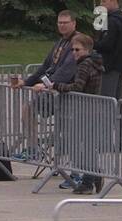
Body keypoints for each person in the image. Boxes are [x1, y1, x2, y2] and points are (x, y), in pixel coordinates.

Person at [12, 10, 79, 163]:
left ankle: (40, 152)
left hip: (64, 92)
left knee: (29, 109)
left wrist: (45, 85)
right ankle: (33, 149)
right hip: (51, 90)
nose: (62, 26)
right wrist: (27, 82)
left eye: (65, 23)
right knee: (27, 109)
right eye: (59, 22)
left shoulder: (77, 42)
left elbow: (67, 70)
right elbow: (45, 67)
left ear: (74, 23)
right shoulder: (60, 42)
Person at [51, 34, 105, 195]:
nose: (74, 52)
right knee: (87, 147)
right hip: (91, 109)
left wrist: (56, 85)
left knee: (84, 147)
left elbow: (77, 87)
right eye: (73, 49)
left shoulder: (85, 64)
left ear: (87, 50)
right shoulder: (93, 63)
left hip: (86, 110)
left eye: (78, 49)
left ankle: (89, 181)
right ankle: (93, 176)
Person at [93, 0, 122, 101]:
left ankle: (110, 117)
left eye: (104, 1)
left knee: (107, 99)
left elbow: (107, 44)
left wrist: (91, 43)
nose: (101, 5)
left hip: (110, 65)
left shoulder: (111, 21)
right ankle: (120, 116)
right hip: (121, 64)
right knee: (118, 98)